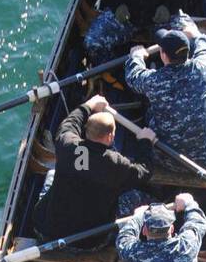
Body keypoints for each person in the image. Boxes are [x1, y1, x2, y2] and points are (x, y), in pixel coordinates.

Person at [33, 94, 154, 242]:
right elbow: (144, 171)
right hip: (89, 243)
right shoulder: (116, 164)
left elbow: (69, 124)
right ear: (110, 137)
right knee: (137, 197)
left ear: (86, 130)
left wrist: (89, 105)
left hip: (45, 230)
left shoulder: (68, 146)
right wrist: (145, 142)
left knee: (52, 173)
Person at [124, 20, 206, 169]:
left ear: (163, 55)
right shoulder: (202, 68)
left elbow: (133, 77)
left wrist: (136, 56)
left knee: (148, 111)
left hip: (168, 161)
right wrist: (195, 34)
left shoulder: (155, 81)